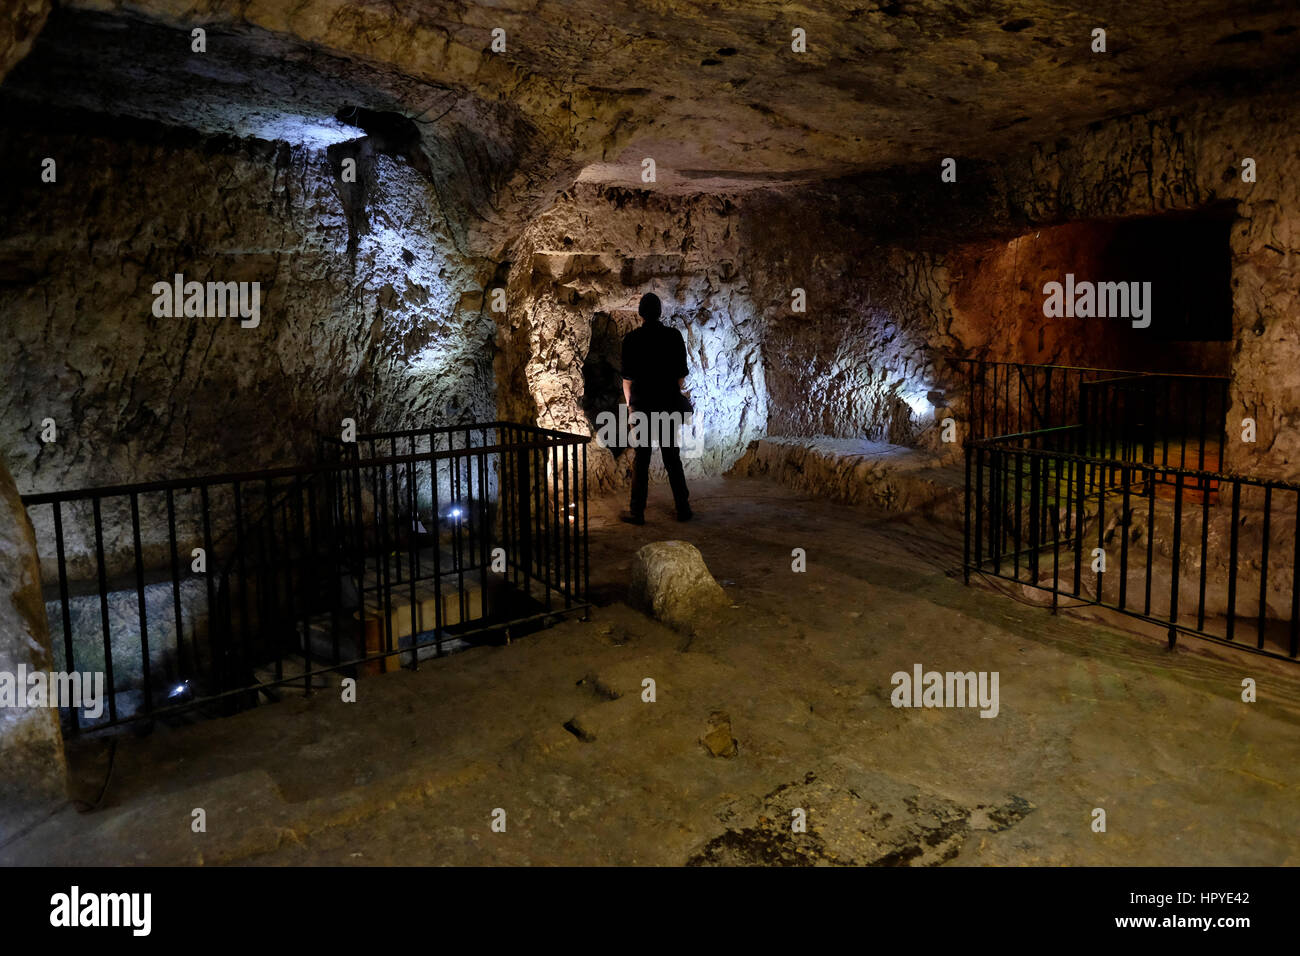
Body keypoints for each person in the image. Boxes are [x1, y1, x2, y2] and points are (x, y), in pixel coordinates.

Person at [619, 292, 692, 524]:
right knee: (672, 458)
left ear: (641, 313)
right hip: (668, 405)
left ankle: (637, 512)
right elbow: (681, 377)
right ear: (660, 312)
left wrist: (631, 408)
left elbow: (627, 380)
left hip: (643, 406)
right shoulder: (673, 336)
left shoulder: (631, 340)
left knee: (642, 459)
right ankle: (683, 509)